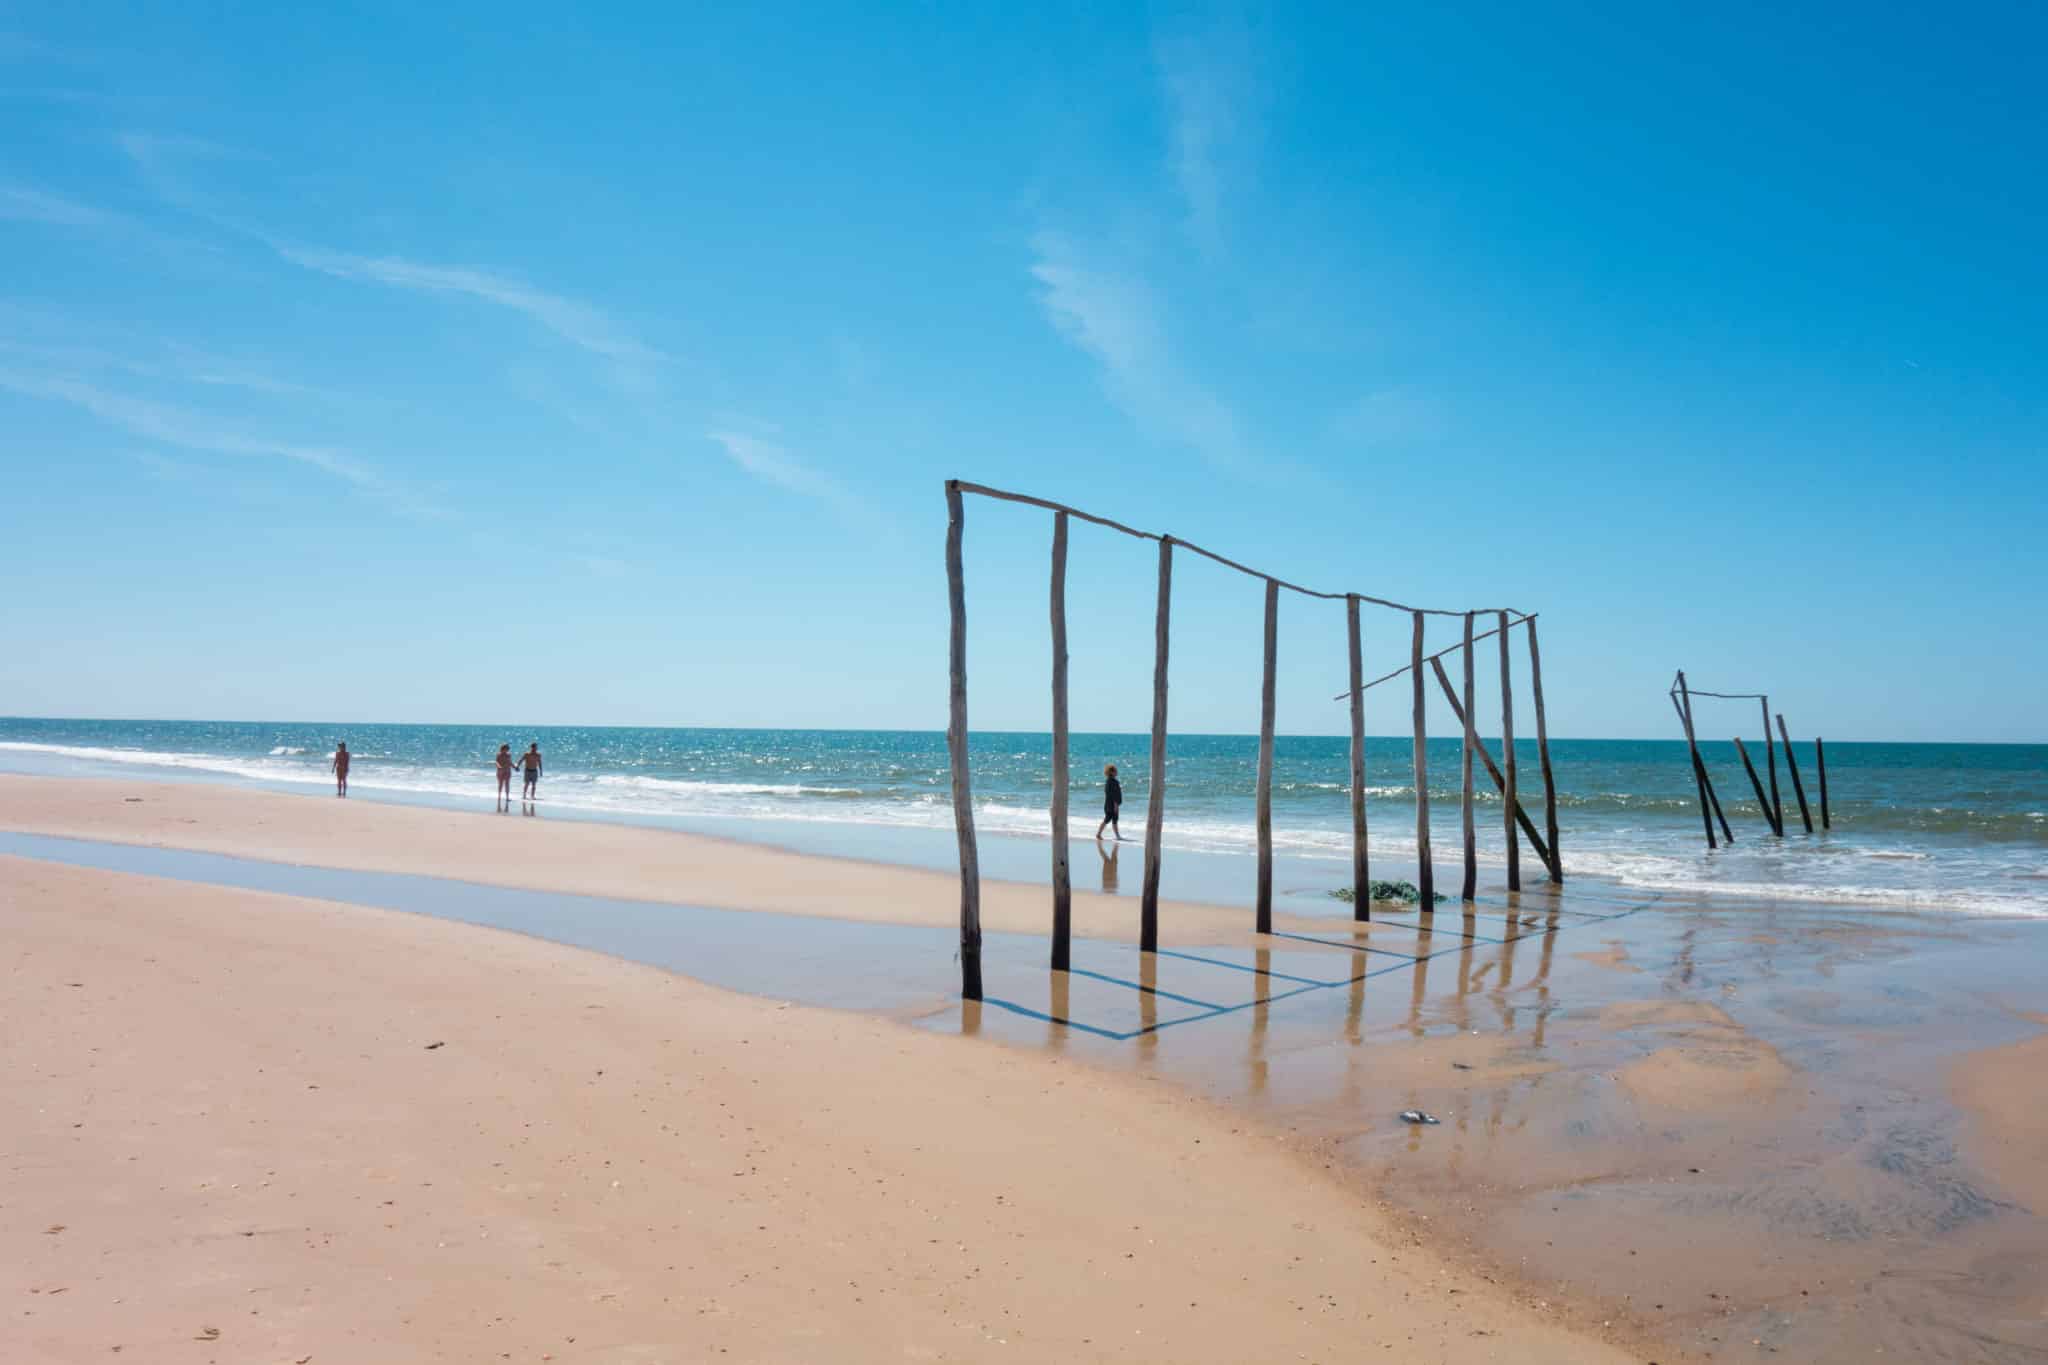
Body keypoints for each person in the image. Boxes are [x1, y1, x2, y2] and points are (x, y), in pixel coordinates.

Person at [1095, 762, 1123, 840]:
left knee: (1109, 819)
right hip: (1113, 804)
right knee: (1113, 820)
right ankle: (1117, 836)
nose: (1117, 772)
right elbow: (1114, 795)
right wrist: (1116, 805)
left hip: (1108, 804)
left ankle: (1100, 834)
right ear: (1112, 772)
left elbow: (1109, 794)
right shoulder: (1114, 782)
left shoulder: (1108, 782)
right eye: (1115, 771)